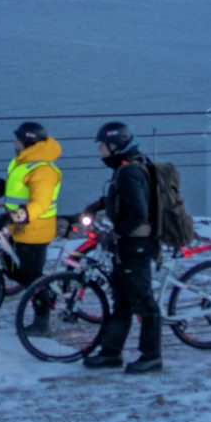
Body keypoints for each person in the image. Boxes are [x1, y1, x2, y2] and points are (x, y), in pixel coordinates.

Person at [75, 121, 161, 374]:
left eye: (102, 145)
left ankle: (152, 356)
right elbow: (120, 197)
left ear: (115, 145)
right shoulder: (125, 168)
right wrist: (96, 206)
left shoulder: (129, 171)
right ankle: (111, 353)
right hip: (126, 248)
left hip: (134, 247)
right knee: (122, 302)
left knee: (144, 303)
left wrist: (115, 233)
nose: (100, 149)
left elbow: (139, 213)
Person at [0, 122, 62, 291]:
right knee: (14, 272)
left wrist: (14, 216)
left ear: (28, 143)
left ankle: (43, 313)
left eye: (18, 140)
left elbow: (40, 203)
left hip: (35, 232)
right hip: (19, 228)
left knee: (33, 281)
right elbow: (19, 186)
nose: (14, 142)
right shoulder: (24, 161)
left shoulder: (43, 170)